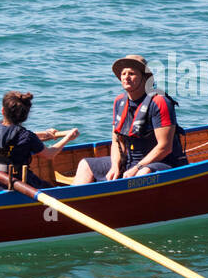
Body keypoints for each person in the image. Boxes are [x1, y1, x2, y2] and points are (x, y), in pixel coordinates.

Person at [73, 55, 188, 184]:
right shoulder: (119, 102)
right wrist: (115, 166)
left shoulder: (159, 102)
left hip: (163, 163)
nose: (126, 77)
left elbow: (165, 147)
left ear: (144, 78)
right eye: (123, 74)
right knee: (85, 164)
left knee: (142, 173)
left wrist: (137, 167)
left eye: (132, 73)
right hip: (129, 162)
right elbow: (116, 141)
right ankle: (72, 199)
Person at [0, 91, 79, 192]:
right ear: (25, 116)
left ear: (3, 111)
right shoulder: (27, 136)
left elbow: (15, 137)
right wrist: (68, 138)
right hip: (19, 186)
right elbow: (49, 154)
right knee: (53, 189)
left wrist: (46, 134)